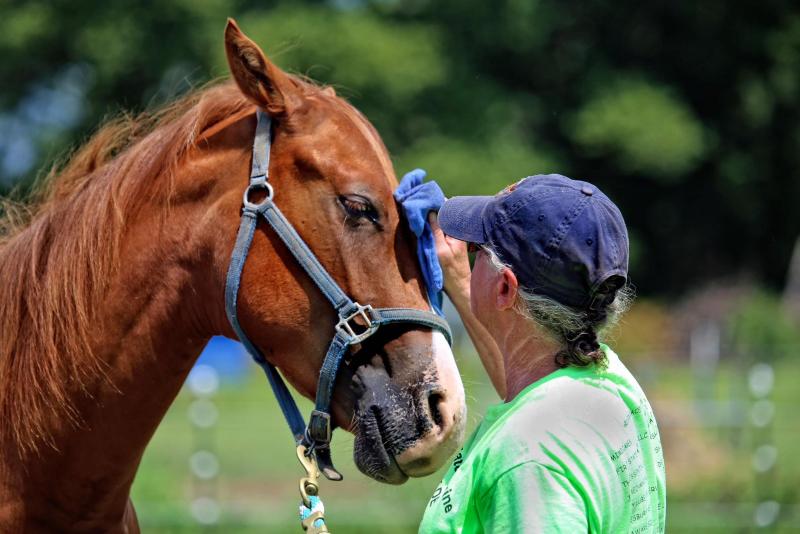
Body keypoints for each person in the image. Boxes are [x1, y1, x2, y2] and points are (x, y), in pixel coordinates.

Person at [419, 174, 666, 533]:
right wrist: (459, 275)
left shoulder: (528, 462)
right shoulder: (607, 378)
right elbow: (529, 398)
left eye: (478, 250)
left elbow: (533, 447)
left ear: (504, 287)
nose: (470, 254)